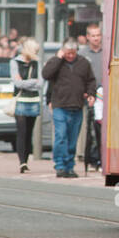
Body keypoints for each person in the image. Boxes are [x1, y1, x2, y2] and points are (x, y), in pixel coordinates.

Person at [42, 39, 95, 179]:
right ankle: (60, 165)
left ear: (76, 51)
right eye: (67, 53)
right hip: (60, 105)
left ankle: (69, 166)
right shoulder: (56, 62)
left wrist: (91, 94)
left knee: (72, 139)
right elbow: (46, 74)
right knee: (61, 136)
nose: (70, 56)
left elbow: (90, 80)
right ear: (63, 52)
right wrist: (58, 59)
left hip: (77, 105)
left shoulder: (83, 63)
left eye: (73, 53)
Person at [10, 38, 43, 174]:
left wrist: (25, 82)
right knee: (21, 131)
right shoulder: (15, 62)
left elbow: (40, 83)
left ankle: (26, 160)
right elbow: (17, 83)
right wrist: (31, 82)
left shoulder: (37, 63)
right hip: (21, 100)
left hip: (33, 100)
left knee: (29, 131)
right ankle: (22, 162)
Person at [78, 24, 105, 171]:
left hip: (105, 94)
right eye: (93, 36)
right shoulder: (82, 54)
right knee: (92, 129)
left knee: (102, 128)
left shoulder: (106, 51)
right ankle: (92, 157)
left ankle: (100, 158)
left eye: (98, 35)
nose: (96, 38)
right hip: (90, 95)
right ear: (88, 37)